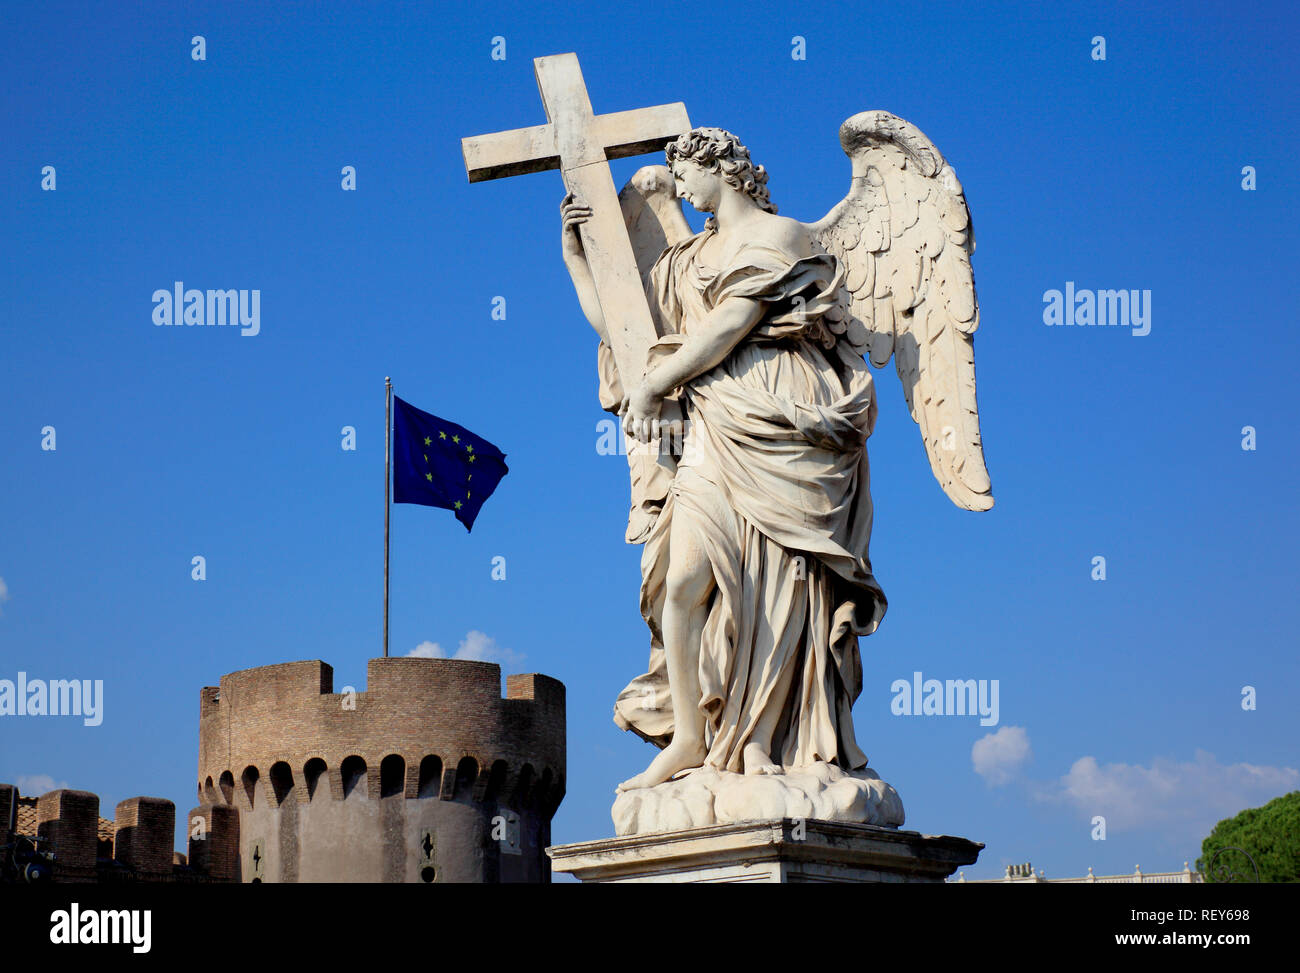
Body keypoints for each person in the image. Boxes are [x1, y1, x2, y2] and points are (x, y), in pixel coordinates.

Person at [561, 128, 888, 791]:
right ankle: (689, 734)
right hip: (714, 420)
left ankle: (771, 735)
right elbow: (628, 336)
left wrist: (658, 383)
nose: (675, 187)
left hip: (784, 419)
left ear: (720, 169)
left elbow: (731, 321)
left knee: (782, 581)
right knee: (680, 579)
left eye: (683, 174)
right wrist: (576, 259)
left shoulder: (786, 236)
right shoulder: (688, 258)